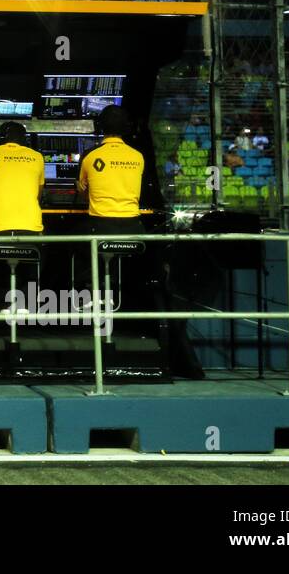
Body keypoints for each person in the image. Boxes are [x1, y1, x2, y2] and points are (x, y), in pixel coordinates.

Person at [79, 105, 203, 378]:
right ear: (127, 129)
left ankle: (91, 294)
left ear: (100, 129)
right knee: (149, 270)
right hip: (134, 229)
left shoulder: (90, 157)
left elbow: (82, 190)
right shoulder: (138, 156)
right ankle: (134, 312)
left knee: (77, 240)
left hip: (101, 228)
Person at [0, 121, 45, 312]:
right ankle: (25, 302)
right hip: (31, 227)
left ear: (0, 140)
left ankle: (4, 301)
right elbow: (38, 195)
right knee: (30, 262)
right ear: (25, 140)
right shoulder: (37, 157)